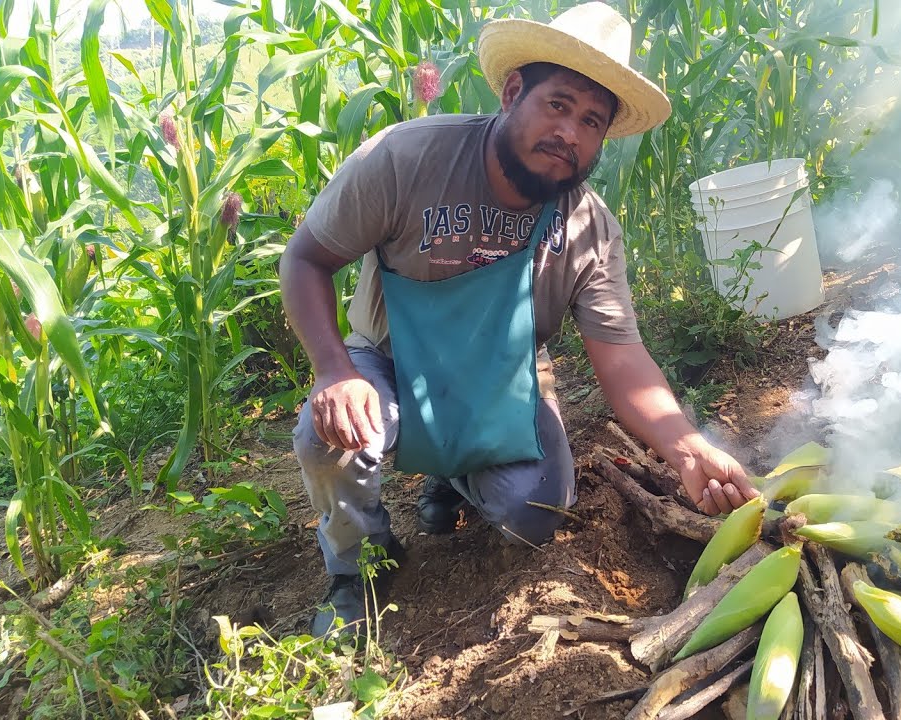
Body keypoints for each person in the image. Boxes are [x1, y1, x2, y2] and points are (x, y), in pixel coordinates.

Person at [280, 2, 761, 637]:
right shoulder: (407, 159)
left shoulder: (589, 230)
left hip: (503, 376)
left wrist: (688, 446)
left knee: (534, 512)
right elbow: (305, 260)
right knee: (328, 440)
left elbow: (621, 359)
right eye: (558, 104)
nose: (571, 132)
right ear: (512, 92)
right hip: (389, 361)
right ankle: (359, 561)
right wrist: (335, 371)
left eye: (592, 120)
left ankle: (456, 472)